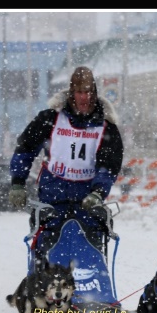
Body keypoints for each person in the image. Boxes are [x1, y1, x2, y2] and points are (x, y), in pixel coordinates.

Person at [8, 66, 123, 251]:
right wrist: (18, 182)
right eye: (79, 92)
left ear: (94, 93)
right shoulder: (50, 119)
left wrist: (98, 192)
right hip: (52, 201)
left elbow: (109, 166)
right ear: (71, 94)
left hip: (87, 203)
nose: (84, 97)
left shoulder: (106, 128)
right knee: (45, 258)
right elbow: (25, 149)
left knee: (89, 256)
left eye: (88, 92)